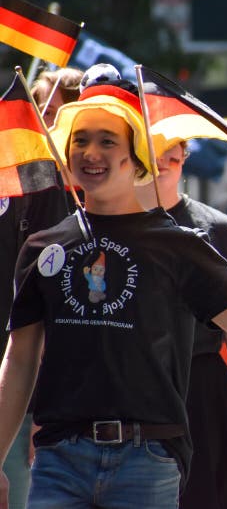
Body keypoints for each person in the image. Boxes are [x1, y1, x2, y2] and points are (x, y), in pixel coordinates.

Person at [0, 65, 227, 508]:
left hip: (147, 462)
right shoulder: (42, 246)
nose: (91, 152)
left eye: (108, 141)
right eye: (81, 140)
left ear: (135, 157)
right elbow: (21, 358)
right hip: (58, 461)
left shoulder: (178, 245)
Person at [135, 142, 227, 508]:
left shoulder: (220, 231)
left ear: (185, 154)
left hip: (201, 398)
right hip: (128, 395)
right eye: (148, 147)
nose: (162, 160)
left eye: (173, 149)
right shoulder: (99, 228)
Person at [0, 66, 83, 509]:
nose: (45, 121)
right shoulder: (11, 185)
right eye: (38, 109)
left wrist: (44, 405)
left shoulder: (83, 203)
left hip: (39, 393)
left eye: (57, 111)